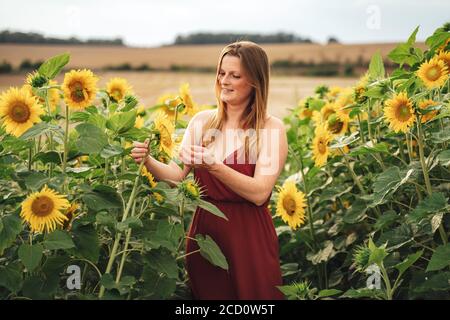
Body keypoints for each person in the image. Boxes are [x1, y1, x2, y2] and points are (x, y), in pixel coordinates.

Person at [131, 41, 288, 300]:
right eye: (221, 73)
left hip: (249, 238)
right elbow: (176, 176)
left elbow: (260, 193)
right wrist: (147, 160)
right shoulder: (202, 122)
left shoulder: (270, 129)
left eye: (235, 75)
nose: (224, 81)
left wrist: (214, 166)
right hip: (206, 238)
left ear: (255, 82)